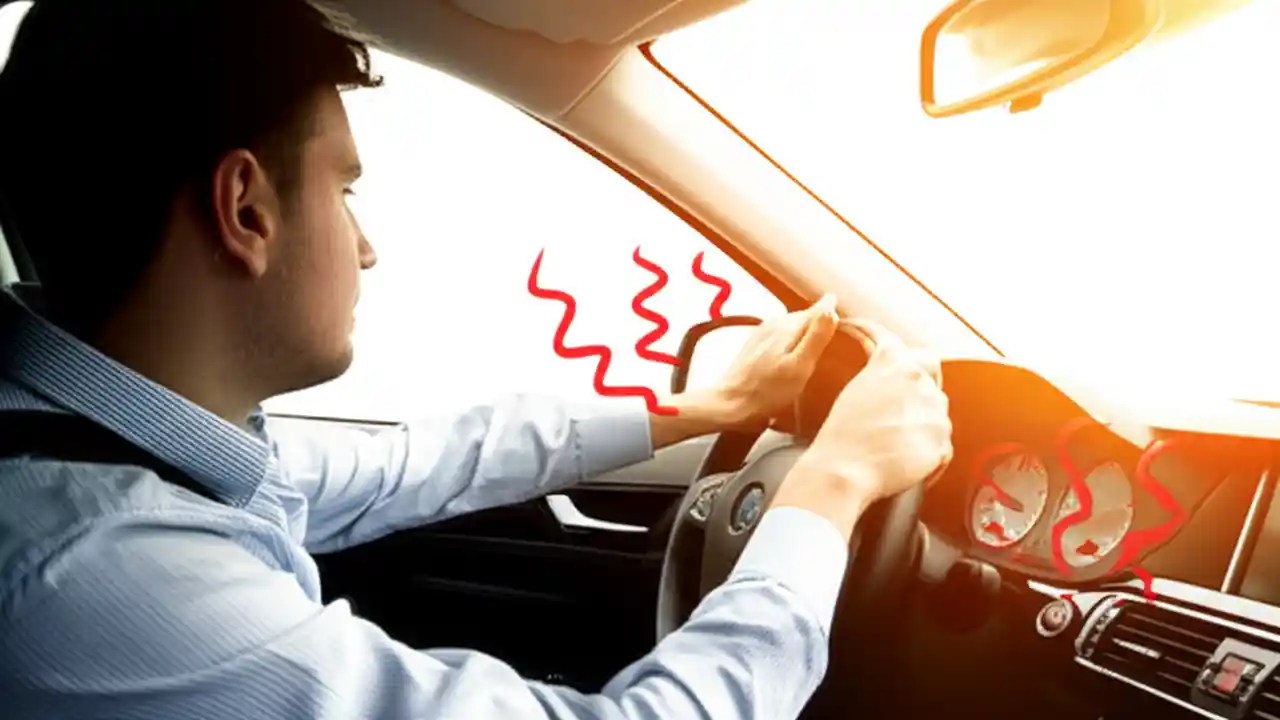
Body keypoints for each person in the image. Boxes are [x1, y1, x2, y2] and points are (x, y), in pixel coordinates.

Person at [0, 1, 952, 718]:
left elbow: (412, 463)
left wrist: (706, 407)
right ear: (246, 210)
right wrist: (830, 489)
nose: (365, 247)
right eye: (345, 189)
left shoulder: (101, 441)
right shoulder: (104, 571)